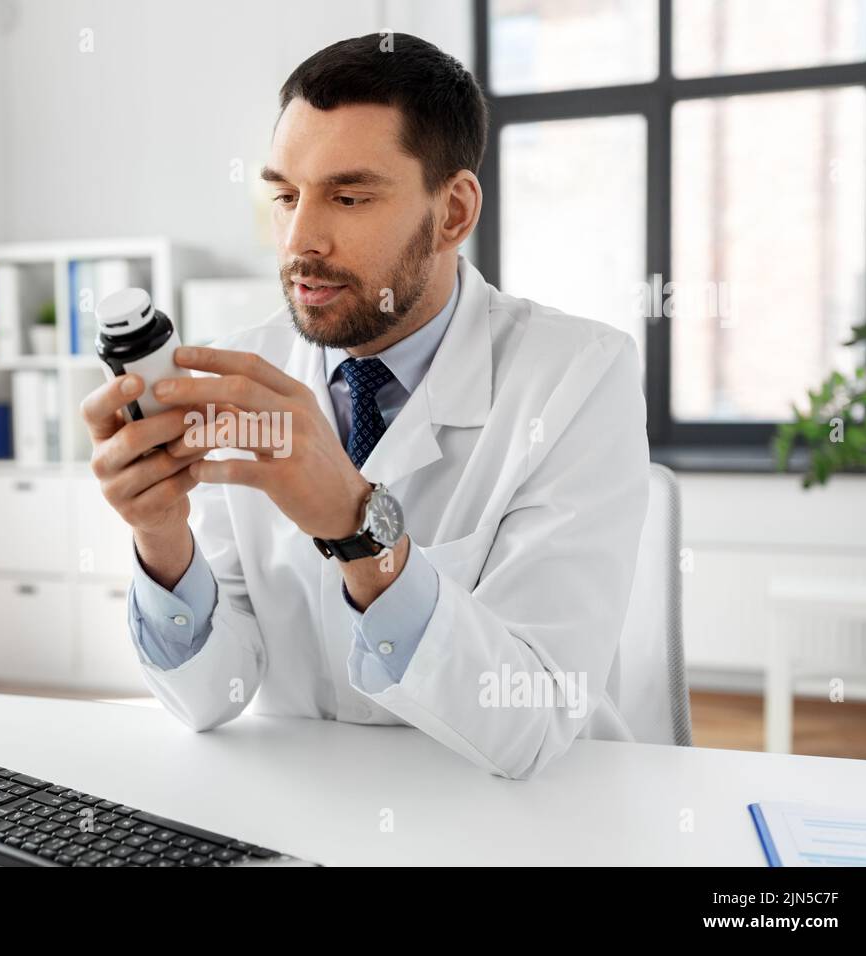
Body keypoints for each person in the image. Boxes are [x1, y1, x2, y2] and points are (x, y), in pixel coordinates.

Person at [79, 33, 649, 780]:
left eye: (348, 198)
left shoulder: (579, 378)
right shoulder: (250, 374)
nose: (298, 241)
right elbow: (212, 698)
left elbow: (530, 723)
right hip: (312, 813)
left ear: (453, 211)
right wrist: (162, 540)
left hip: (517, 822)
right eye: (284, 195)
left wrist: (360, 532)